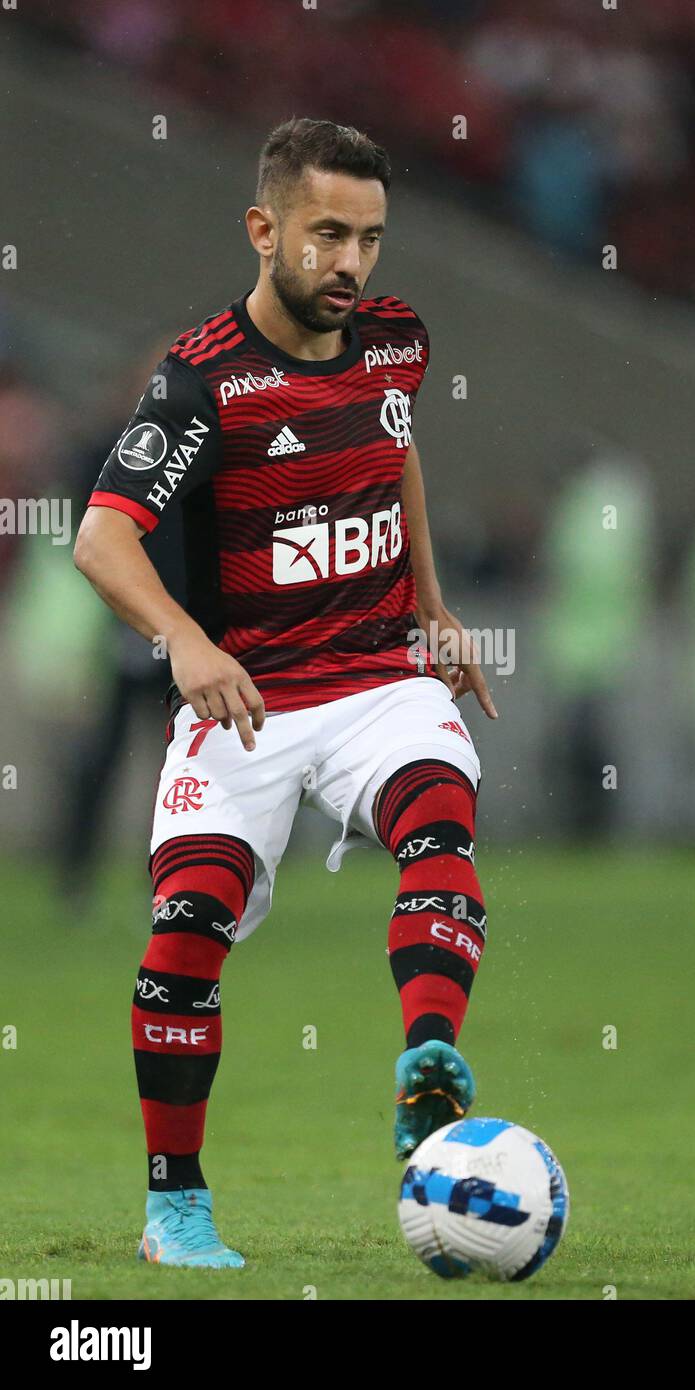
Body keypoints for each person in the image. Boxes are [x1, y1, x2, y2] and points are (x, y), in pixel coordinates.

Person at [73, 117, 497, 1269]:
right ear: (265, 230)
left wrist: (432, 604)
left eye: (369, 237)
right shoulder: (203, 379)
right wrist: (184, 643)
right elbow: (102, 540)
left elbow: (394, 446)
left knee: (439, 814)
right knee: (184, 933)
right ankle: (177, 1207)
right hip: (244, 697)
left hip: (375, 681)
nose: (351, 262)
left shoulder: (396, 340)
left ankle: (427, 1070)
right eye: (326, 234)